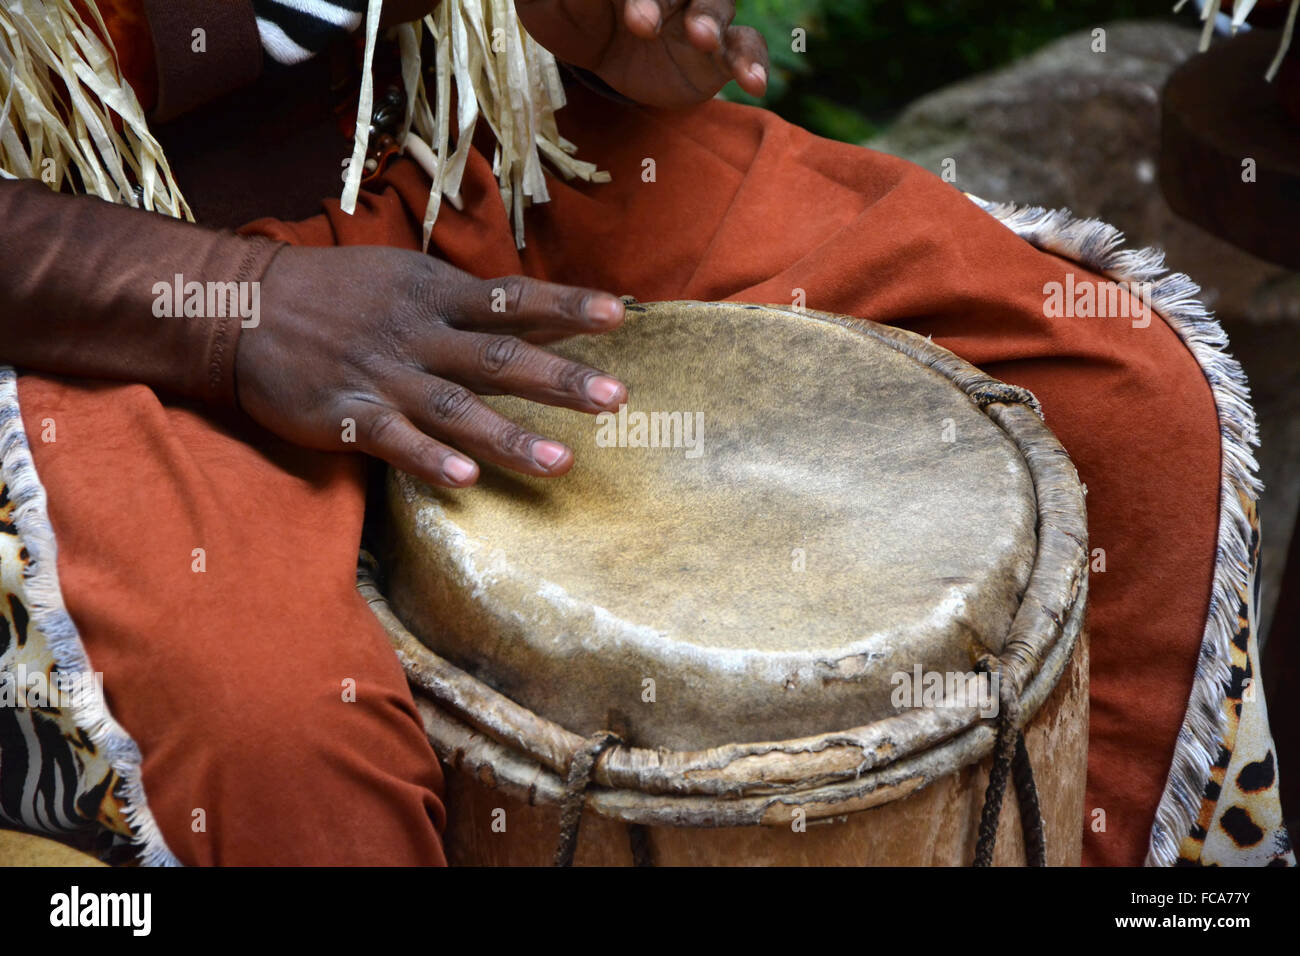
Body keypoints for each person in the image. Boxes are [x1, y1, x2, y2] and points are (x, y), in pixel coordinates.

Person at [0, 0, 1290, 867]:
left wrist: (592, 35)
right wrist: (239, 312)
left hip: (456, 146)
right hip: (106, 286)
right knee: (278, 746)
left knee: (1126, 408)